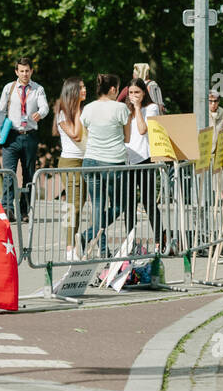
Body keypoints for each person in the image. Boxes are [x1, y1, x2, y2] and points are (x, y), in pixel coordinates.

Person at [0, 57, 49, 221]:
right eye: (21, 71)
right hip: (11, 136)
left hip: (30, 135)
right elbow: (1, 111)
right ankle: (8, 209)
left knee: (28, 174)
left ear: (31, 71)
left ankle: (25, 211)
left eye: (27, 71)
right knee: (9, 174)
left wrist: (41, 113)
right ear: (16, 72)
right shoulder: (9, 88)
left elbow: (44, 106)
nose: (25, 74)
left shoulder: (38, 89)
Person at [80, 73, 130, 255]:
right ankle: (90, 235)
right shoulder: (120, 108)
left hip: (91, 160)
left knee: (97, 206)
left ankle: (101, 248)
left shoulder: (88, 109)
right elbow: (128, 137)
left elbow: (86, 130)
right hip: (113, 162)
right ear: (112, 90)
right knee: (118, 205)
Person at [123, 78, 164, 248]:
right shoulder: (126, 110)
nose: (133, 96)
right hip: (128, 160)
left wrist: (138, 108)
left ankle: (160, 240)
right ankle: (130, 241)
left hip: (145, 159)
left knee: (149, 202)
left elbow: (142, 130)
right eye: (131, 93)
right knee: (129, 204)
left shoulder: (151, 108)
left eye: (137, 92)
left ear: (143, 93)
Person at [53, 77, 87, 259]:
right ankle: (69, 248)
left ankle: (73, 245)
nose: (84, 90)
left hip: (84, 162)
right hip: (70, 162)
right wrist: (77, 111)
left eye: (84, 87)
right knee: (72, 206)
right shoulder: (63, 114)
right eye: (80, 88)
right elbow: (76, 135)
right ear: (72, 91)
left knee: (79, 205)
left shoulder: (82, 111)